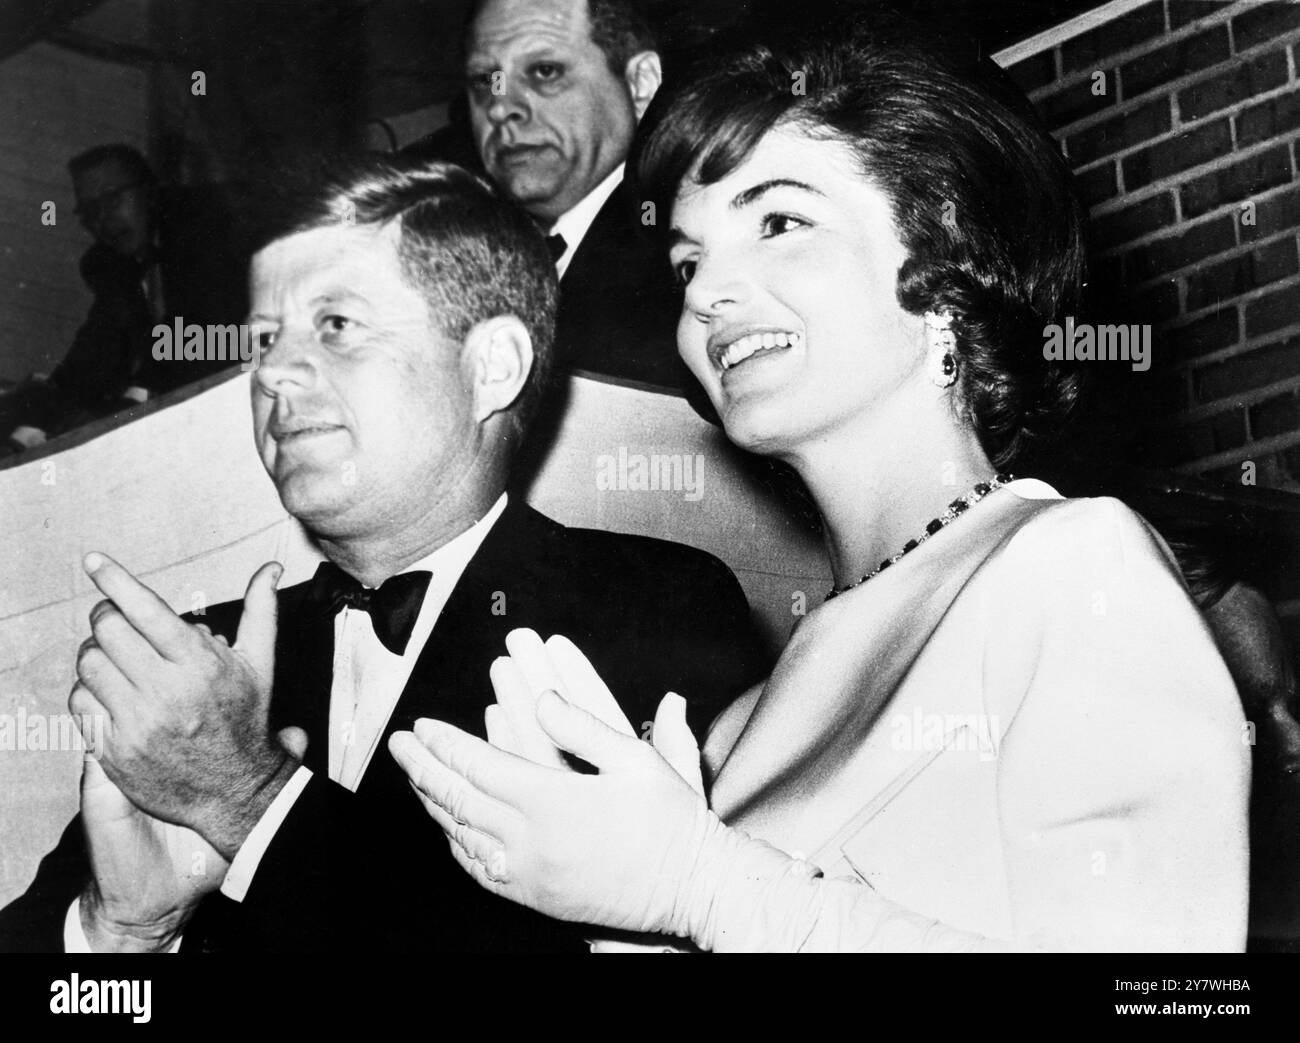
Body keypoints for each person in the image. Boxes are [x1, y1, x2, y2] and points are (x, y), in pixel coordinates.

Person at [391, 17, 1252, 952]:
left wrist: (700, 888)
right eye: (689, 261)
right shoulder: (733, 730)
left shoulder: (1075, 572)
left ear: (947, 260)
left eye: (780, 222)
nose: (707, 292)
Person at [0, 158, 769, 953]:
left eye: (336, 326)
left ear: (492, 366)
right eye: (265, 340)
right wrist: (119, 928)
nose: (271, 372)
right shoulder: (208, 663)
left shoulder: (654, 604)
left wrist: (249, 800)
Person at [463, 0, 687, 390]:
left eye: (544, 72)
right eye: (486, 80)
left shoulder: (672, 253)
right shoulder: (478, 249)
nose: (500, 109)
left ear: (640, 84)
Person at [0, 144, 248, 453]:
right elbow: (92, 354)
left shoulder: (205, 227)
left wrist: (128, 404)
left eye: (113, 199)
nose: (103, 220)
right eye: (90, 212)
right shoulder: (112, 266)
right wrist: (27, 430)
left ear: (150, 192)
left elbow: (197, 330)